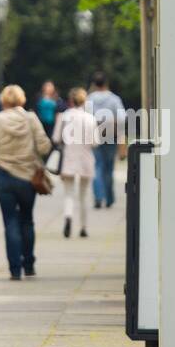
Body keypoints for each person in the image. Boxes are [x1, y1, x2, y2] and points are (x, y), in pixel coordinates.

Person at [0, 84, 52, 280]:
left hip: (3, 176)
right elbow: (45, 146)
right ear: (22, 99)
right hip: (28, 176)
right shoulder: (30, 119)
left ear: (3, 100)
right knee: (27, 220)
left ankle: (14, 269)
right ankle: (28, 264)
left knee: (10, 221)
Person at [53, 87, 96, 239]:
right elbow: (94, 142)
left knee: (68, 194)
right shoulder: (90, 118)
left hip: (69, 158)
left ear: (70, 101)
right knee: (84, 195)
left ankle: (68, 216)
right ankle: (84, 227)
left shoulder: (64, 116)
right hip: (85, 158)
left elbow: (56, 138)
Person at [87, 70, 126, 209]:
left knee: (97, 166)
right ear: (106, 83)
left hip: (95, 135)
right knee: (109, 169)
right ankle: (109, 198)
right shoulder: (114, 99)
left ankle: (98, 197)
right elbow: (122, 118)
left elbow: (86, 116)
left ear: (94, 84)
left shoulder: (89, 99)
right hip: (110, 136)